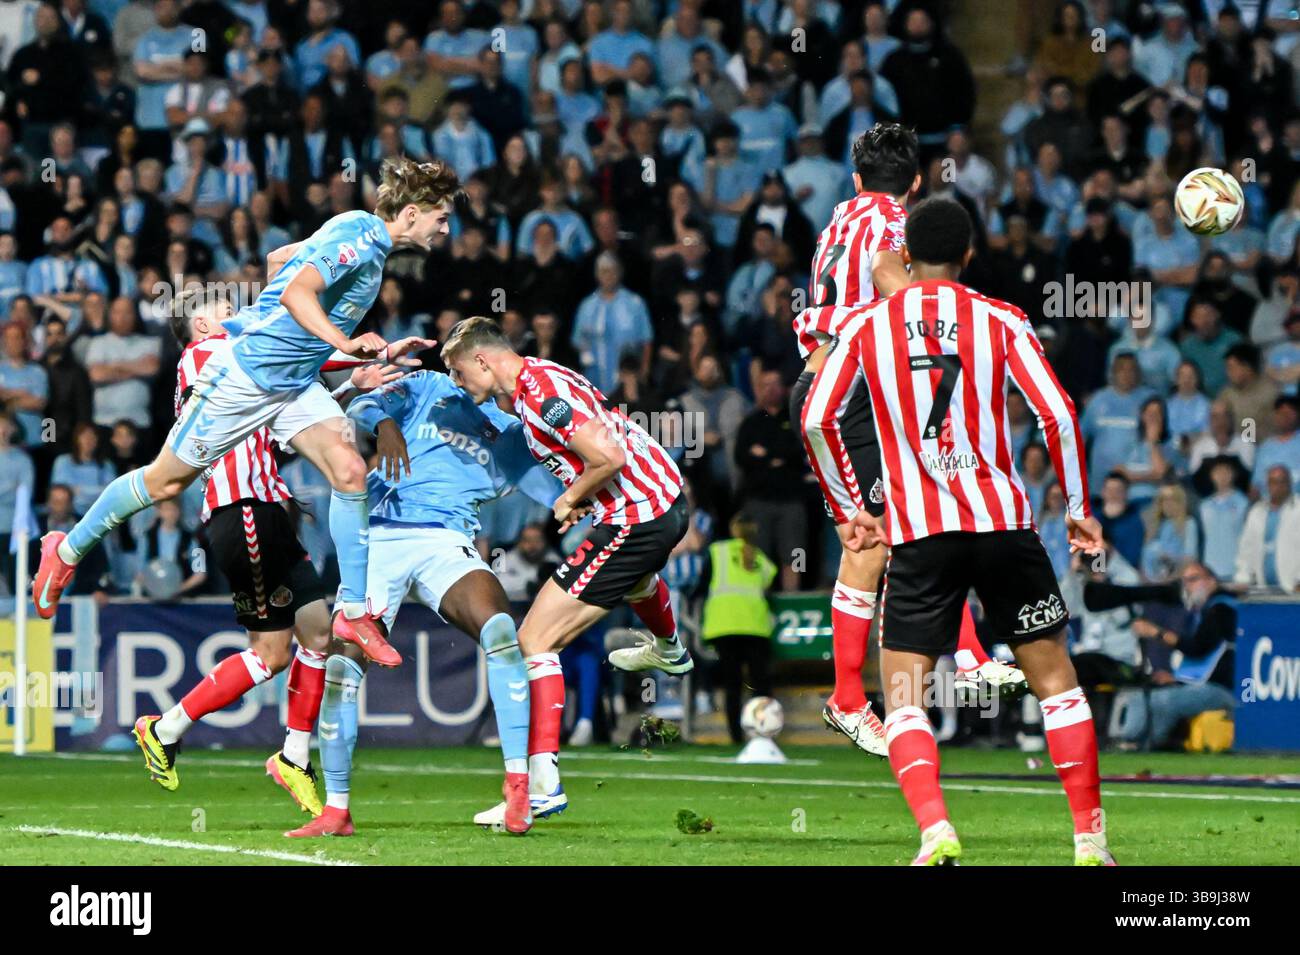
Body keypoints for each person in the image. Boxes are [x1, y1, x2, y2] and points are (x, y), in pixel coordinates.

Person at [32, 158, 452, 668]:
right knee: (164, 483)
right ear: (411, 213)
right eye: (441, 218)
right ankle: (67, 550)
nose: (445, 229)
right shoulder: (359, 234)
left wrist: (373, 353)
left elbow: (279, 263)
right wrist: (342, 339)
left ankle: (354, 611)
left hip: (292, 383)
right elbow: (298, 291)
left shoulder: (364, 242)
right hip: (246, 377)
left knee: (350, 471)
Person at [811, 197, 1110, 866]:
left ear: (906, 256)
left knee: (907, 692)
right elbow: (1058, 413)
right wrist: (1079, 507)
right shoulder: (1001, 318)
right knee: (1057, 682)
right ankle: (1090, 840)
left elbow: (817, 420)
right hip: (1003, 522)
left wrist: (851, 506)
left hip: (920, 533)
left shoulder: (865, 324)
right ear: (970, 256)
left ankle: (935, 830)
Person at [794, 124, 1021, 760]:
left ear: (856, 176)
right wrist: (948, 315)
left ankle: (874, 685)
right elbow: (887, 272)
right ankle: (956, 661)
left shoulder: (839, 215)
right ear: (917, 181)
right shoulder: (896, 218)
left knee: (892, 532)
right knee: (901, 529)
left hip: (830, 379)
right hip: (851, 393)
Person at [128, 294, 403, 807]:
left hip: (268, 511)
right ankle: (164, 730)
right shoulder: (203, 356)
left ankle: (294, 756)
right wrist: (348, 350)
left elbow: (286, 428)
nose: (238, 311)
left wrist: (350, 383)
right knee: (270, 654)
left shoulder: (241, 376)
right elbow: (282, 352)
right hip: (241, 510)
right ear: (200, 324)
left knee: (317, 633)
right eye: (223, 306)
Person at [289, 368, 564, 838]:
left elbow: (563, 495)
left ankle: (518, 785)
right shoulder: (430, 385)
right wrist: (387, 426)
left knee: (501, 632)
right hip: (378, 535)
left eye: (461, 365)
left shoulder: (519, 433)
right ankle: (336, 810)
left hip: (446, 541)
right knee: (342, 666)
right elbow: (360, 407)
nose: (455, 373)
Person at [440, 316, 689, 825]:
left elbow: (608, 456)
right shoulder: (546, 375)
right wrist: (582, 485)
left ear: (483, 360)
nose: (459, 384)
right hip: (664, 503)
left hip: (635, 518)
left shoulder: (539, 392)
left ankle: (542, 788)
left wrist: (571, 497)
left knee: (534, 640)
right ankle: (670, 649)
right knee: (638, 580)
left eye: (460, 373)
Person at [698, 513, 777, 744]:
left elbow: (701, 585)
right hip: (756, 627)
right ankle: (764, 734)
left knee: (732, 685)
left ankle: (736, 737)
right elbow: (768, 589)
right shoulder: (762, 559)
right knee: (760, 684)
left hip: (724, 626)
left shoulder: (717, 552)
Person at [1235, 465, 1300, 591]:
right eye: (1273, 481)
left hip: (1295, 589)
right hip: (1263, 589)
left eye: (1282, 481)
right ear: (1267, 484)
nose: (1278, 486)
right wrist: (1243, 578)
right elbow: (1246, 548)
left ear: (1290, 483)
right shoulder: (1256, 512)